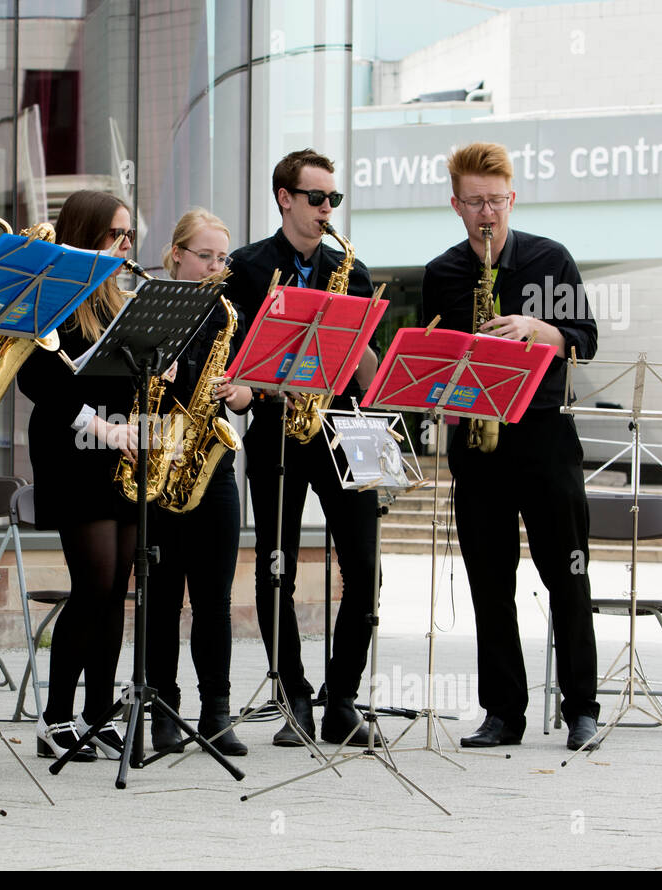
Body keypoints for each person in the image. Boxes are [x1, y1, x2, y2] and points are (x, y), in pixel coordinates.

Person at [420, 141, 600, 751]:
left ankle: (582, 708)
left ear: (512, 199)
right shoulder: (443, 273)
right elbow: (432, 355)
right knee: (489, 585)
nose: (487, 213)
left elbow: (587, 338)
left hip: (546, 440)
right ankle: (504, 713)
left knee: (567, 577)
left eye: (496, 200)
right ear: (456, 205)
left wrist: (537, 329)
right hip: (478, 448)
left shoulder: (552, 260)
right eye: (475, 202)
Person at [225, 148, 380, 748]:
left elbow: (366, 372)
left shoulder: (353, 271)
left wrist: (363, 343)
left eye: (333, 200)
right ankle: (293, 696)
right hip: (276, 428)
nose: (326, 209)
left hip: (344, 428)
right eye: (316, 198)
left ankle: (341, 699)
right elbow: (236, 357)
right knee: (276, 567)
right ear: (285, 198)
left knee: (364, 569)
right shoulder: (245, 267)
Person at [17, 190, 138, 761]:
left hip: (117, 448)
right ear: (88, 234)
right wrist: (100, 424)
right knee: (93, 585)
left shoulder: (120, 297)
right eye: (116, 233)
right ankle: (57, 719)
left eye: (129, 234)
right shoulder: (56, 291)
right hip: (72, 447)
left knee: (117, 590)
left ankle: (98, 713)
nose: (125, 244)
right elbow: (37, 380)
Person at [144, 209, 248, 757]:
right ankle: (161, 709)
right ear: (177, 255)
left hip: (213, 464)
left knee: (215, 601)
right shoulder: (153, 306)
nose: (215, 266)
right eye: (205, 256)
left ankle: (216, 712)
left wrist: (240, 392)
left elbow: (253, 382)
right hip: (161, 459)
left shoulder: (227, 312)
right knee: (161, 599)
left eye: (222, 257)